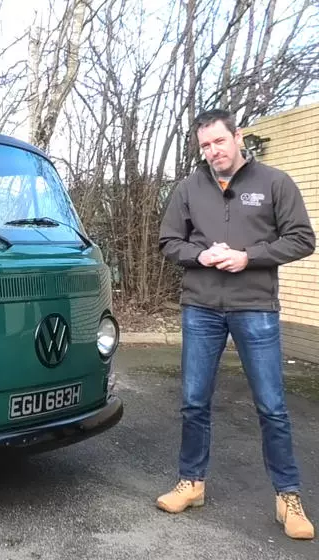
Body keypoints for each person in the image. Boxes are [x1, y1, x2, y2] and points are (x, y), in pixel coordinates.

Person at [157, 109, 316, 540]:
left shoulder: (274, 183)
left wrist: (250, 257)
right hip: (202, 307)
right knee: (193, 400)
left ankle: (288, 497)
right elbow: (169, 240)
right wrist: (199, 255)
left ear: (237, 137)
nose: (213, 152)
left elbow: (303, 238)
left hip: (255, 305)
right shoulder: (189, 188)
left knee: (272, 405)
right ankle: (192, 483)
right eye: (205, 146)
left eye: (219, 142)